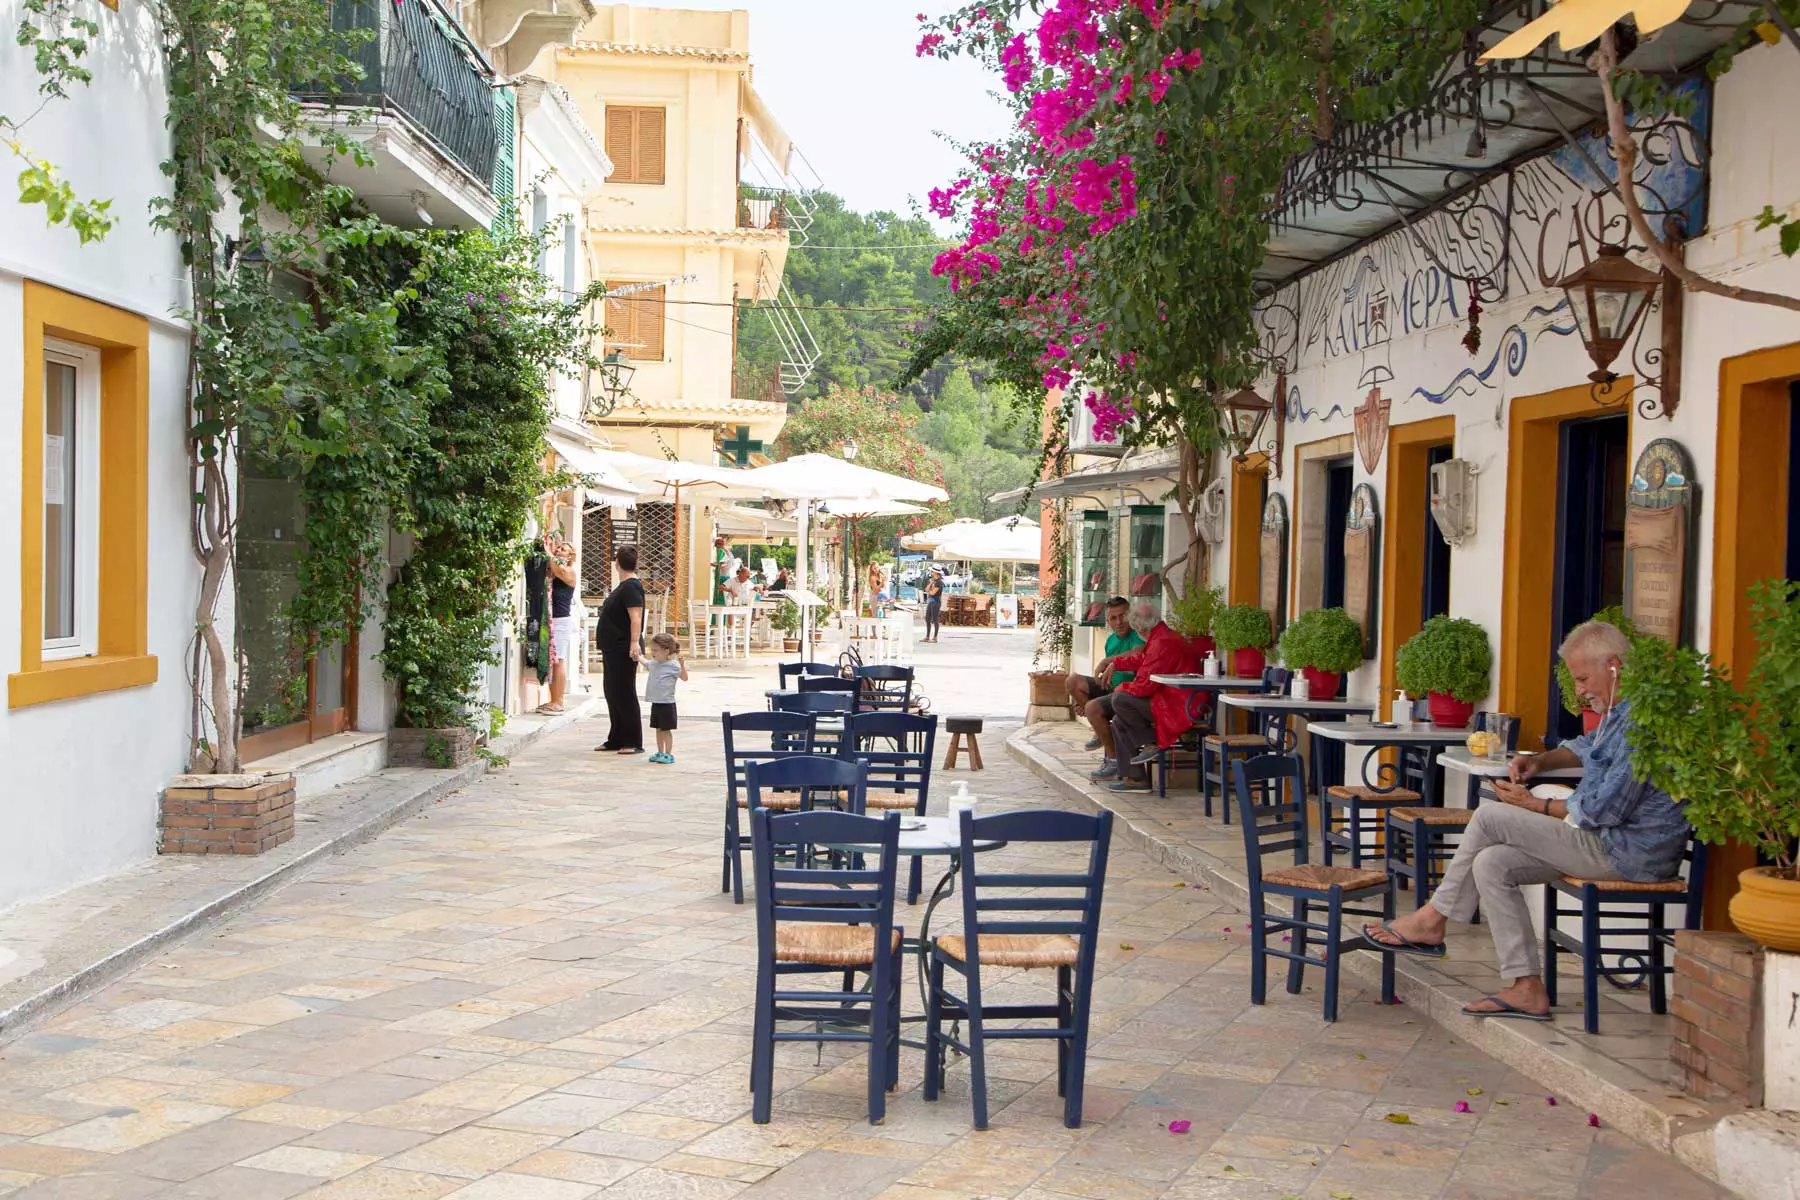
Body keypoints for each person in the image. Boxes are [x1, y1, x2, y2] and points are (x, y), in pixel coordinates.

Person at [1362, 621, 1692, 1021]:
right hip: (1604, 842)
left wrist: (1533, 805)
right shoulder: (1620, 714)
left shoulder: (1647, 724)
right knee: (1492, 862)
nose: (1581, 689)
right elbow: (1587, 747)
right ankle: (1526, 988)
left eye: (1584, 678)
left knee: (1489, 816)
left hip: (1628, 853)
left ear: (1615, 666)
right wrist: (1540, 761)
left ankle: (1433, 920)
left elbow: (1605, 811)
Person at [1096, 602, 1201, 791]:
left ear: (1139, 628)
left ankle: (1151, 741)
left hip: (1179, 706)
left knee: (1119, 699)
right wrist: (1117, 664)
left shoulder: (1162, 642)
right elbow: (1143, 660)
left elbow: (1145, 686)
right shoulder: (1160, 636)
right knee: (1120, 720)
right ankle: (1136, 779)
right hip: (1174, 700)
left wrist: (1121, 688)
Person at [1067, 597, 1140, 770]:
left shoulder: (1138, 634)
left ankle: (1113, 760)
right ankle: (1098, 728)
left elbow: (1138, 653)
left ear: (1131, 616)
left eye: (1123, 616)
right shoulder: (1111, 640)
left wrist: (1108, 660)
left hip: (1129, 695)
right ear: (1108, 621)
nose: (1119, 622)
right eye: (1113, 618)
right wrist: (1084, 700)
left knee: (1093, 708)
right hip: (1110, 690)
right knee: (1073, 681)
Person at [594, 546, 646, 756]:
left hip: (623, 647)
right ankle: (616, 737)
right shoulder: (622, 586)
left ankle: (633, 740)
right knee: (612, 692)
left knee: (625, 693)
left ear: (616, 563)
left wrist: (634, 643)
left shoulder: (631, 586)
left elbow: (636, 617)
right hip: (611, 647)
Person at [539, 532, 579, 714]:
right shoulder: (554, 568)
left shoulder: (569, 571)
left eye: (564, 549)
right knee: (551, 660)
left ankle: (559, 700)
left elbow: (558, 570)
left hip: (561, 620)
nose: (560, 551)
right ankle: (552, 699)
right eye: (559, 548)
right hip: (551, 617)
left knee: (558, 660)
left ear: (571, 556)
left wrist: (549, 552)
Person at [644, 633, 688, 764]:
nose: (653, 653)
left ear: (666, 651)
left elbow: (684, 678)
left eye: (656, 650)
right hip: (656, 702)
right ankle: (660, 752)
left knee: (666, 729)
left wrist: (682, 665)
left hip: (667, 703)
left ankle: (669, 753)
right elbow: (646, 663)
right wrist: (637, 656)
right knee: (658, 729)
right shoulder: (654, 663)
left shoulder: (673, 665)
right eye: (652, 650)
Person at [923, 570, 944, 642]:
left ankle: (935, 637)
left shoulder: (939, 582)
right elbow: (926, 589)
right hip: (931, 602)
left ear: (936, 573)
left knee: (935, 619)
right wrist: (930, 584)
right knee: (927, 618)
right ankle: (927, 636)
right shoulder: (933, 581)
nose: (931, 573)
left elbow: (932, 593)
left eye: (932, 571)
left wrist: (928, 590)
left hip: (936, 602)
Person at [712, 535, 731, 606]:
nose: (716, 548)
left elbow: (724, 565)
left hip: (724, 578)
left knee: (722, 597)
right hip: (722, 576)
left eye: (717, 546)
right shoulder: (723, 552)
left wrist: (715, 565)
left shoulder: (724, 552)